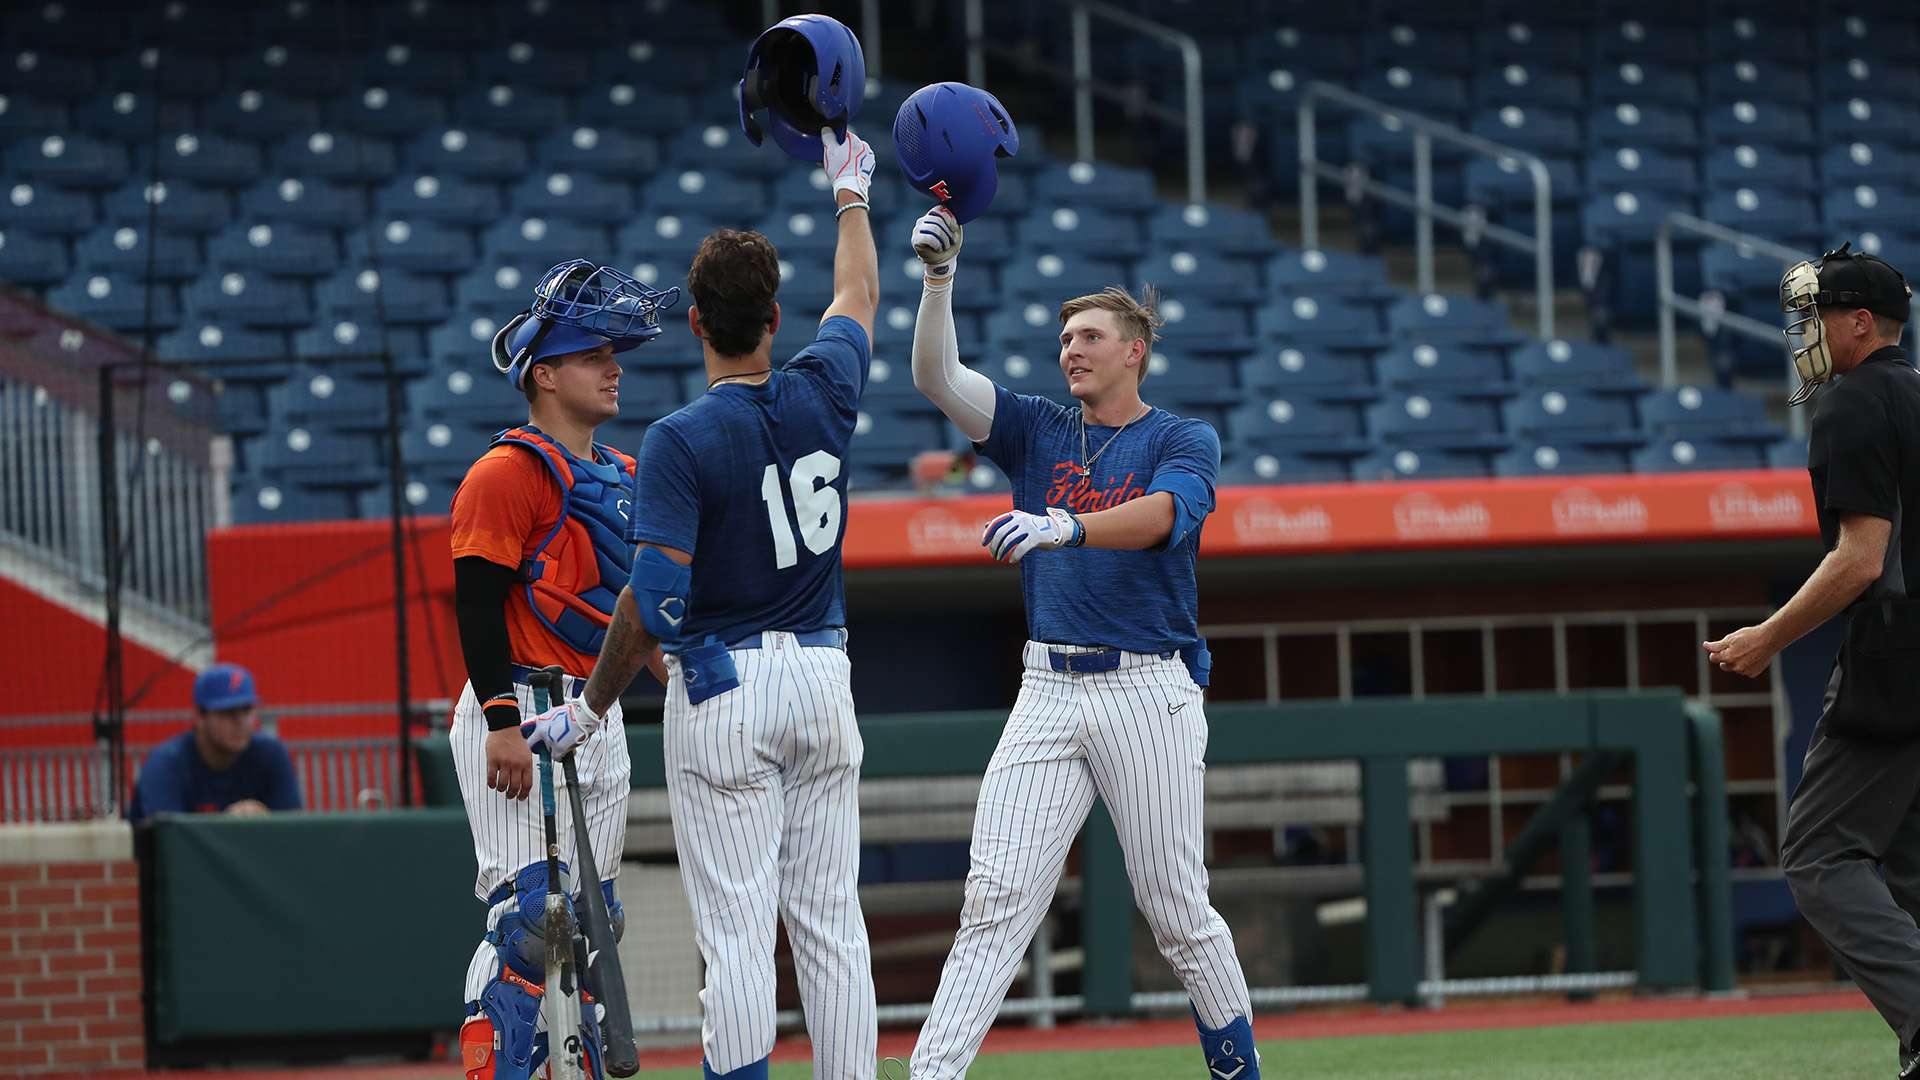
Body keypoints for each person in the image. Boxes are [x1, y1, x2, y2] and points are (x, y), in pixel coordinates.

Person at [521, 127, 880, 1080]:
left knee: (737, 936)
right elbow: (857, 295)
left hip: (725, 685)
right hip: (824, 672)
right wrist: (850, 193)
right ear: (773, 316)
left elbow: (653, 596)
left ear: (693, 322)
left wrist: (590, 708)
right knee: (832, 926)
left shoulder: (679, 437)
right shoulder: (825, 385)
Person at [894, 205, 1261, 1080]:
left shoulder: (1181, 436)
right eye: (1064, 338)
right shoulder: (1039, 427)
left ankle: (1239, 1070)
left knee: (1176, 910)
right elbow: (937, 377)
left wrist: (1068, 525)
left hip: (1147, 687)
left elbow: (1164, 515)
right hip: (1048, 687)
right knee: (993, 901)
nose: (1072, 350)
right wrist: (939, 279)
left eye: (1090, 336)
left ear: (1135, 350)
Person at [449, 258, 677, 1080]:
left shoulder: (627, 473)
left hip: (595, 710)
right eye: (593, 356)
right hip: (519, 700)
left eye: (614, 354)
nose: (614, 369)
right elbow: (476, 604)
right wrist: (501, 723)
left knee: (590, 921)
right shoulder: (506, 471)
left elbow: (636, 610)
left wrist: (683, 678)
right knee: (531, 923)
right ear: (544, 374)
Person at [1703, 244, 1920, 1076]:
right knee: (1908, 866)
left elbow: (1861, 560)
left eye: (1820, 315)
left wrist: (1769, 637)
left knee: (1820, 856)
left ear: (1861, 322)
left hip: (1896, 656)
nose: (1808, 332)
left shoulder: (1854, 402)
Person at [127, 662, 300, 819]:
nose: (240, 721)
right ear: (199, 717)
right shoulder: (166, 763)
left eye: (247, 709)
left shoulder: (271, 754)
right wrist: (226, 825)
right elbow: (166, 838)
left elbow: (294, 829)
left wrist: (266, 823)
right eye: (227, 711)